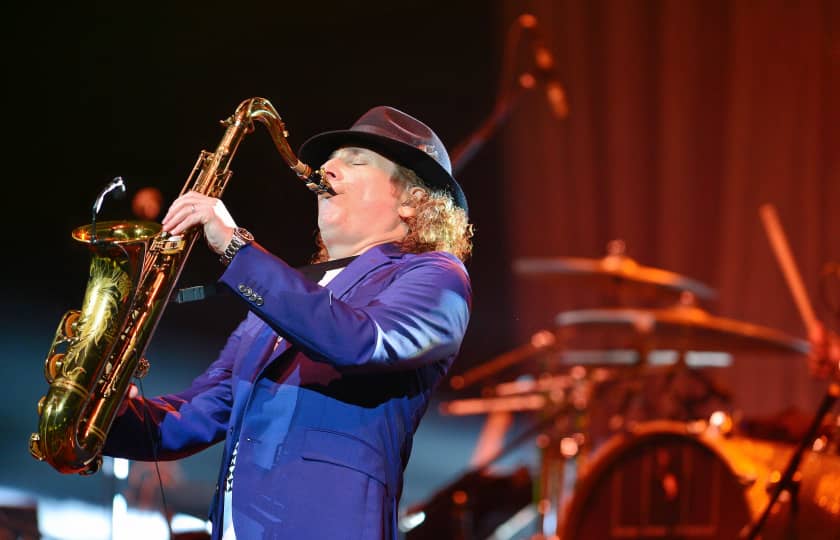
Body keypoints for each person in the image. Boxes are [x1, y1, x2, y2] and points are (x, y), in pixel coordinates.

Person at [103, 105, 474, 539]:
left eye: (355, 161)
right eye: (330, 159)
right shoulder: (286, 299)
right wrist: (104, 416)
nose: (328, 168)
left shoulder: (437, 275)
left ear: (412, 202)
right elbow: (196, 416)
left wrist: (234, 246)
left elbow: (358, 341)